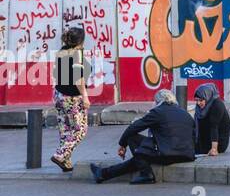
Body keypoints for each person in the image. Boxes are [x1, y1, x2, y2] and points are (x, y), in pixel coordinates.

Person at [90, 90, 195, 185]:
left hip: (168, 154)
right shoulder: (185, 113)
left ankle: (146, 174)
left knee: (133, 140)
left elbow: (134, 127)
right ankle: (103, 174)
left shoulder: (158, 112)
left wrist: (122, 144)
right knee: (140, 156)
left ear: (158, 102)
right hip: (187, 155)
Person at [50, 28, 88, 172]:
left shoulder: (61, 51)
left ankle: (66, 162)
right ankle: (60, 156)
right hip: (72, 97)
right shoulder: (77, 53)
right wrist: (85, 96)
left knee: (66, 130)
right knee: (80, 130)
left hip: (59, 94)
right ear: (81, 41)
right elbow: (79, 78)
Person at [192, 82, 230, 156]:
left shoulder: (217, 105)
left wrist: (214, 149)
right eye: (196, 100)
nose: (198, 103)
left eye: (201, 100)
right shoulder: (201, 107)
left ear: (207, 96)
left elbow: (214, 127)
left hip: (218, 142)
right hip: (205, 139)